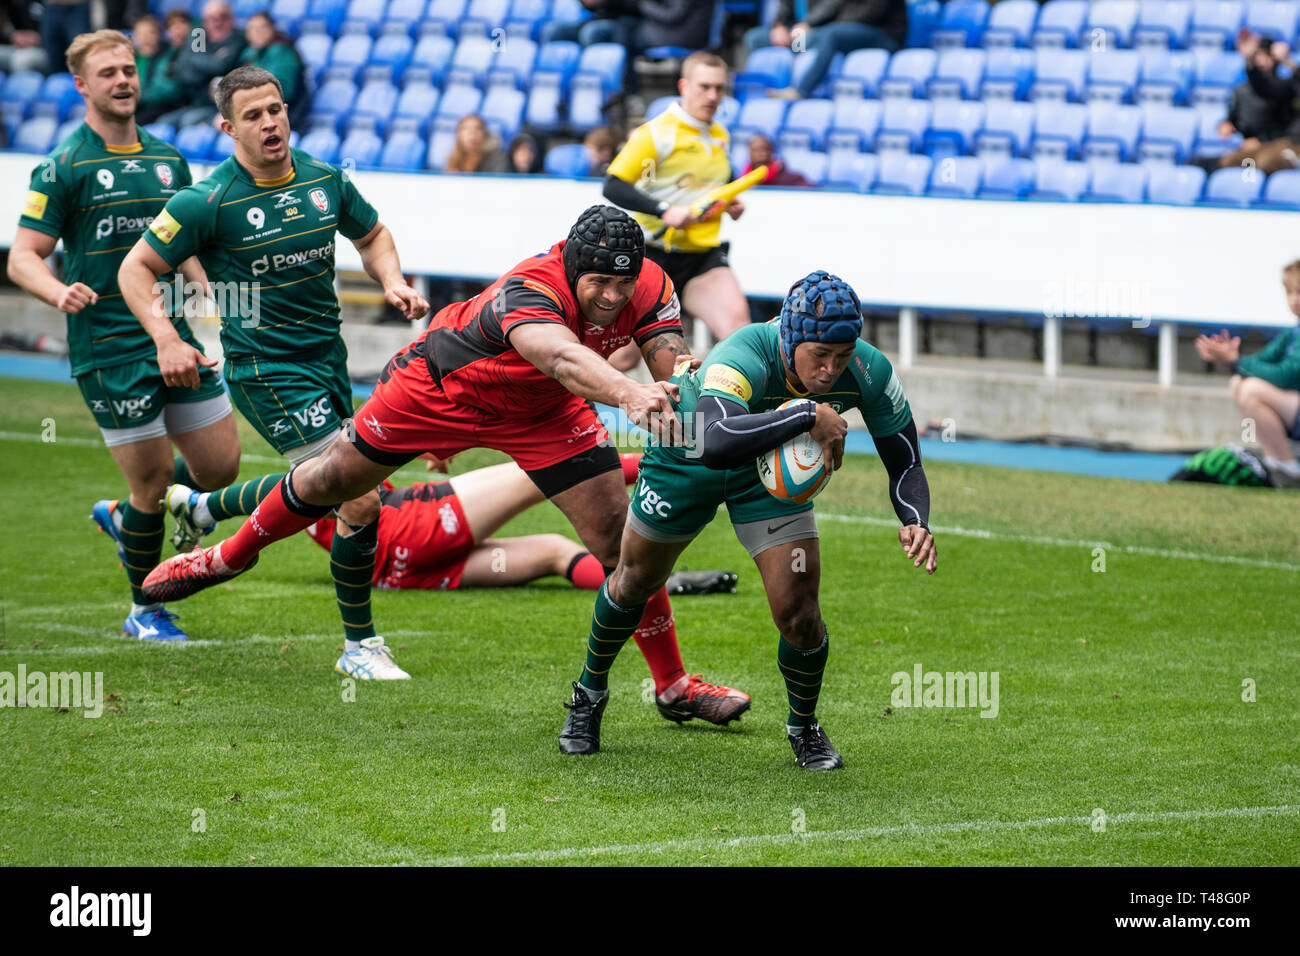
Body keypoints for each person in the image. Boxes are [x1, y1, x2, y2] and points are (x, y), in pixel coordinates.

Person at [142, 205, 754, 723]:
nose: (613, 297)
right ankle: (228, 556)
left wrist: (701, 404)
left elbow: (671, 361)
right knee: (334, 479)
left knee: (623, 547)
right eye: (599, 283)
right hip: (442, 387)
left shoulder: (650, 282)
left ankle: (673, 689)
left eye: (624, 285)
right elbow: (563, 357)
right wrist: (627, 394)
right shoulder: (532, 286)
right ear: (571, 263)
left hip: (545, 413)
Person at [118, 65, 430, 678]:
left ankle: (204, 508)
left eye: (276, 110)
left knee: (332, 492)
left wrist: (392, 281)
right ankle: (359, 648)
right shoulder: (205, 201)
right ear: (227, 127)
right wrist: (164, 337)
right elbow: (136, 269)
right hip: (268, 369)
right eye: (254, 116)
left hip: (329, 361)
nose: (270, 124)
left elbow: (373, 235)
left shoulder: (324, 180)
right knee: (357, 495)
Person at [557, 271, 936, 770]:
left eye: (841, 358)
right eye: (819, 356)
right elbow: (715, 441)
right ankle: (588, 695)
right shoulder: (743, 352)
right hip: (686, 455)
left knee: (799, 611)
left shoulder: (870, 371)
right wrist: (805, 415)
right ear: (789, 339)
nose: (830, 370)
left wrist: (915, 519)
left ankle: (804, 726)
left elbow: (905, 459)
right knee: (633, 583)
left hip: (767, 477)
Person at [7, 29, 240, 641]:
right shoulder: (63, 166)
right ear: (82, 85)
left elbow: (182, 241)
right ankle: (145, 610)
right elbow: (23, 256)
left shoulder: (169, 159)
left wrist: (209, 289)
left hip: (173, 336)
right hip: (109, 348)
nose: (123, 80)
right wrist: (59, 293)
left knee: (219, 468)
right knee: (155, 483)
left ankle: (121, 518)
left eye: (129, 69)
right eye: (107, 72)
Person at [603, 52, 750, 347]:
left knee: (740, 333)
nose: (712, 96)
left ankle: (717, 393)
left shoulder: (720, 135)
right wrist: (664, 210)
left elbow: (718, 182)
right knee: (626, 353)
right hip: (653, 254)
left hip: (701, 255)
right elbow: (613, 185)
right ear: (684, 86)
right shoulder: (656, 133)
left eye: (719, 89)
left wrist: (730, 201)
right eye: (704, 87)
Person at [1195, 259, 1300, 490]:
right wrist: (1230, 357)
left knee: (1252, 389)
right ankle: (1277, 462)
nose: (1295, 299)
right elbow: (1260, 362)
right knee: (1238, 382)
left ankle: (1289, 470)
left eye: (1299, 291)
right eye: (1290, 292)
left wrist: (1236, 361)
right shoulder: (1293, 332)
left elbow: (1289, 374)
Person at [753, 1, 907, 100]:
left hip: (885, 36)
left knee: (830, 34)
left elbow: (870, 15)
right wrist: (779, 25)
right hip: (846, 30)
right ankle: (762, 89)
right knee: (757, 38)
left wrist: (815, 24)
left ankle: (801, 90)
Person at [159, 0, 245, 128]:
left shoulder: (238, 38)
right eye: (211, 18)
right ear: (204, 22)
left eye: (222, 17)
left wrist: (197, 60)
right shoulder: (199, 36)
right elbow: (184, 74)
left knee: (188, 121)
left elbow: (219, 65)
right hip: (195, 102)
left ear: (231, 19)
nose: (217, 22)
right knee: (163, 122)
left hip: (220, 106)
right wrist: (209, 62)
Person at [239, 12, 306, 127]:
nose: (257, 32)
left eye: (262, 27)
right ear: (247, 35)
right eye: (252, 29)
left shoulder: (282, 52)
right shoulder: (249, 55)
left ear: (272, 29)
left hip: (283, 115)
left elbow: (282, 91)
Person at [133, 14, 183, 124]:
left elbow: (170, 91)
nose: (146, 38)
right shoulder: (132, 58)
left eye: (151, 33)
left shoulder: (170, 56)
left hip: (163, 106)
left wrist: (138, 95)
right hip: (138, 105)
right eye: (141, 34)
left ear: (159, 35)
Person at [743, 134, 816, 188]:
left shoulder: (792, 179)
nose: (759, 154)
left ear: (771, 152)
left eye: (763, 150)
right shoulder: (743, 181)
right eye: (754, 150)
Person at [443, 114, 508, 173]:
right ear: (458, 134)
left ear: (485, 133)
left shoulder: (496, 158)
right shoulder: (452, 160)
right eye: (466, 128)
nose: (472, 133)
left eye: (478, 128)